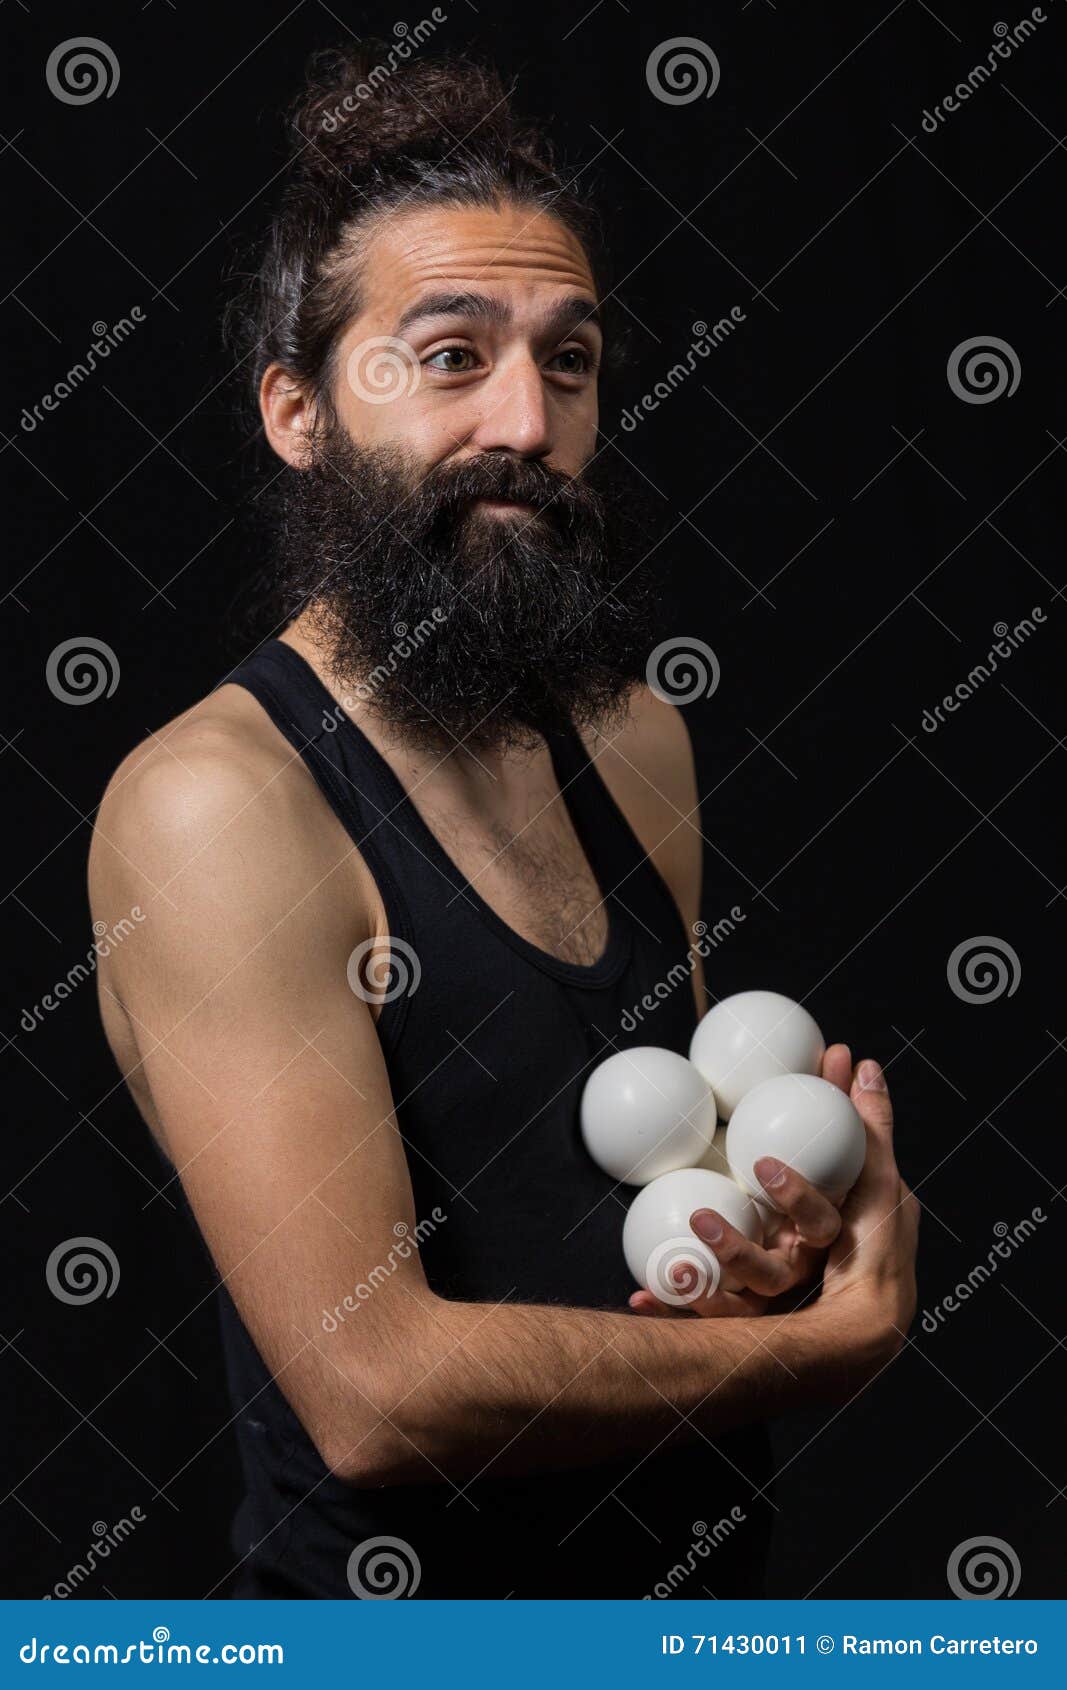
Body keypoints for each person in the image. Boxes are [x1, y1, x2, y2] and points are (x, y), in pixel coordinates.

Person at [88, 46, 919, 1600]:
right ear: (297, 410)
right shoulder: (219, 805)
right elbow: (374, 1391)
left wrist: (780, 1234)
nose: (527, 424)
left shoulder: (634, 736)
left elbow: (644, 1195)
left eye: (573, 360)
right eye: (451, 357)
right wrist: (826, 1343)